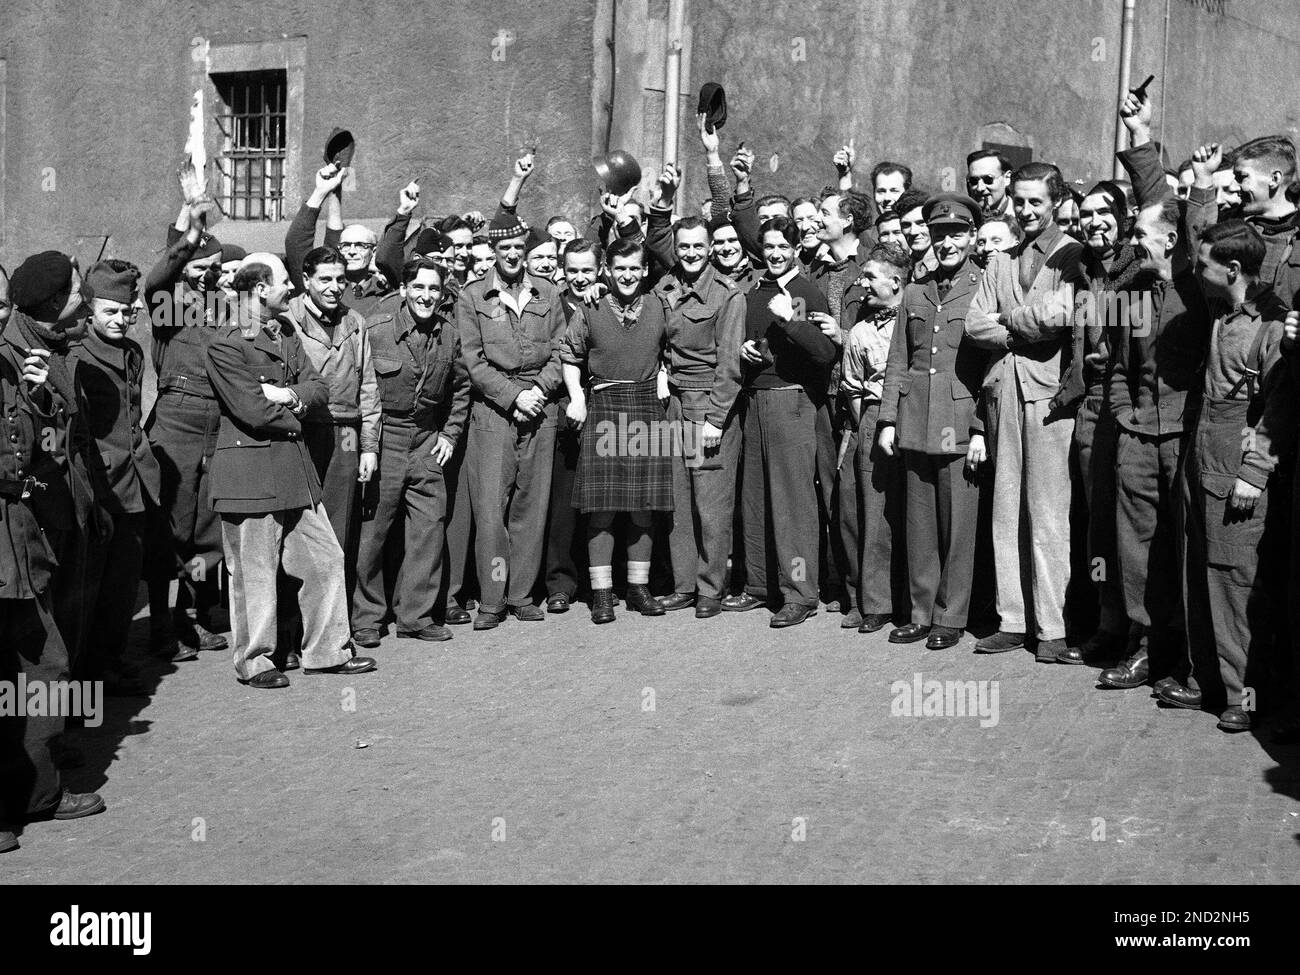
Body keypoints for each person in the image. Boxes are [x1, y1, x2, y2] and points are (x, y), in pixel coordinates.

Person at [205, 254, 376, 687]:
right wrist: (292, 406)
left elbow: (320, 388)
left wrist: (284, 395)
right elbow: (251, 410)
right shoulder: (225, 341)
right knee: (255, 573)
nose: (292, 290)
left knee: (325, 558)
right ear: (260, 288)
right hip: (250, 476)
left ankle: (326, 651)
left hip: (294, 472)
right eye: (285, 282)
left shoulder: (284, 332)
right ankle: (255, 661)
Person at [1097, 94, 1215, 700]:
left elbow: (1175, 213)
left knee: (1189, 549)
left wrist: (1144, 138)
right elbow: (1117, 364)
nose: (1132, 242)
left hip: (1189, 437)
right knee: (1136, 547)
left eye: (1143, 236)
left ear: (1172, 241)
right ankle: (1146, 646)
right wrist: (1123, 414)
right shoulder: (1133, 291)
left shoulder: (1197, 288)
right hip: (1139, 438)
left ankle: (1195, 662)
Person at [0, 254, 106, 847]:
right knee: (40, 663)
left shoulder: (31, 352)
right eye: (74, 290)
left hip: (26, 532)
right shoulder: (12, 359)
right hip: (11, 535)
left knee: (35, 664)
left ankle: (33, 788)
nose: (81, 297)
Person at [964, 161, 1084, 662]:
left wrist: (1008, 320)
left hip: (1049, 397)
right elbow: (973, 324)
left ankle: (1052, 628)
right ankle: (1012, 618)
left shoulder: (1072, 256)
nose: (1027, 210)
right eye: (1021, 201)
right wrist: (1019, 329)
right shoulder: (1001, 260)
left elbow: (1062, 314)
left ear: (1055, 202)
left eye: (1037, 201)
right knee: (1005, 509)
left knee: (1049, 512)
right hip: (1003, 396)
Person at [1183, 220, 1293, 733]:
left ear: (1231, 269)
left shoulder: (1271, 327)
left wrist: (1254, 472)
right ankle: (1208, 681)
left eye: (1204, 264)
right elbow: (1190, 232)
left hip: (1238, 465)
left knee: (1234, 581)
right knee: (1202, 573)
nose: (1194, 268)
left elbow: (1283, 407)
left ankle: (1243, 696)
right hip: (1203, 457)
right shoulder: (1222, 309)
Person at [877, 197, 988, 648]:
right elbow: (897, 360)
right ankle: (921, 610)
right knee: (919, 525)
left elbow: (990, 369)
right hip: (915, 419)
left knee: (958, 527)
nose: (947, 243)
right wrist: (888, 419)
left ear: (972, 237)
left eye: (956, 234)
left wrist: (981, 427)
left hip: (960, 422)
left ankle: (951, 616)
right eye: (939, 234)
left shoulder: (984, 287)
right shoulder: (916, 292)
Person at [456, 211, 567, 629]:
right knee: (491, 508)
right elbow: (473, 360)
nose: (513, 255)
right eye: (505, 249)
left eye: (519, 248)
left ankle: (521, 594)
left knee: (530, 505)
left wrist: (537, 391)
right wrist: (513, 395)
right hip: (494, 411)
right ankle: (492, 599)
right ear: (494, 252)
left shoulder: (548, 293)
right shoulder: (473, 297)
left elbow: (562, 350)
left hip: (541, 407)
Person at [724, 217, 838, 627]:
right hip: (754, 400)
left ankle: (801, 592)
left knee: (792, 501)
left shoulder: (806, 292)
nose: (774, 253)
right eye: (768, 246)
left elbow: (825, 354)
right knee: (754, 498)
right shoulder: (755, 292)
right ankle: (759, 585)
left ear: (795, 248)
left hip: (792, 402)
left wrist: (792, 320)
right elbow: (745, 338)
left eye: (782, 247)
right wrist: (742, 350)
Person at [353, 258, 470, 645]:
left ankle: (415, 616)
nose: (426, 296)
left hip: (426, 438)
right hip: (385, 436)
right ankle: (366, 617)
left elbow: (462, 389)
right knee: (374, 531)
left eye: (434, 289)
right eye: (418, 288)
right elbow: (358, 387)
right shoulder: (376, 330)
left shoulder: (449, 334)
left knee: (428, 527)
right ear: (403, 290)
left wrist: (450, 434)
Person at [1053, 180, 1143, 666]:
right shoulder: (1085, 269)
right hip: (1090, 406)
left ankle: (1141, 633)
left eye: (1103, 212)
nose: (1093, 221)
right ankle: (1107, 624)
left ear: (1125, 217)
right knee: (1097, 526)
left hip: (1130, 409)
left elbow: (1140, 346)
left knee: (1131, 525)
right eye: (1085, 214)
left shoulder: (1138, 268)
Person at [561, 238, 673, 623]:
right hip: (604, 407)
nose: (627, 275)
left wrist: (664, 373)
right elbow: (570, 356)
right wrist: (576, 397)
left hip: (646, 407)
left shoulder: (660, 305)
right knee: (603, 509)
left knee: (643, 507)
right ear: (608, 270)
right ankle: (602, 594)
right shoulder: (590, 307)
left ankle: (638, 589)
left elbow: (675, 349)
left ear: (644, 271)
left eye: (634, 268)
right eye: (619, 268)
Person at [69, 261, 162, 696]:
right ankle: (88, 670)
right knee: (94, 586)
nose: (120, 320)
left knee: (125, 583)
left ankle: (111, 655)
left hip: (136, 480)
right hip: (101, 484)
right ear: (88, 310)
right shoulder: (78, 356)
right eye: (110, 312)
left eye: (128, 313)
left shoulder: (133, 353)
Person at [143, 201, 231, 660]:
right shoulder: (168, 307)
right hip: (175, 422)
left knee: (206, 529)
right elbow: (157, 278)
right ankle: (162, 626)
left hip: (216, 425)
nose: (206, 275)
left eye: (213, 268)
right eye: (199, 266)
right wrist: (186, 237)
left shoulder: (224, 307)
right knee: (170, 531)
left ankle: (191, 619)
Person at [650, 216, 745, 618]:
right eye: (683, 246)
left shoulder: (728, 295)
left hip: (708, 404)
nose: (690, 253)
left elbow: (730, 364)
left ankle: (711, 588)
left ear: (709, 248)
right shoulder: (665, 287)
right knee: (679, 500)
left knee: (711, 504)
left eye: (697, 247)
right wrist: (659, 370)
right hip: (673, 403)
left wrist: (715, 418)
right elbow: (654, 335)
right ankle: (684, 584)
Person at [280, 245, 380, 604]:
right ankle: (292, 627)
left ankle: (335, 624)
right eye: (325, 279)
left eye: (340, 279)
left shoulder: (355, 322)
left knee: (338, 529)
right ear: (306, 280)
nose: (334, 287)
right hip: (302, 430)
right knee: (297, 529)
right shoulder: (287, 318)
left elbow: (368, 386)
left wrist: (369, 447)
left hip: (346, 435)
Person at [842, 242, 911, 634]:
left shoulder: (916, 318)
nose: (862, 282)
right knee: (876, 512)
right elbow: (852, 388)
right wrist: (870, 425)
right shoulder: (860, 332)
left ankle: (912, 601)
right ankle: (877, 603)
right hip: (871, 417)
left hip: (915, 417)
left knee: (914, 514)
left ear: (896, 281)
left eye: (870, 276)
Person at [543, 240, 603, 614]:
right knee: (563, 501)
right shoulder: (553, 303)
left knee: (604, 500)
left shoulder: (606, 300)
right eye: (574, 270)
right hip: (566, 411)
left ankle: (602, 581)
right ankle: (561, 582)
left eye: (588, 270)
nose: (580, 277)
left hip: (608, 411)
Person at [286, 165, 393, 319]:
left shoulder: (386, 290)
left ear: (373, 252)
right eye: (346, 245)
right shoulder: (323, 287)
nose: (351, 251)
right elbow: (296, 242)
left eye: (361, 246)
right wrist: (321, 192)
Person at [966, 149, 1014, 220]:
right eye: (974, 181)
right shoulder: (965, 219)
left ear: (1006, 178)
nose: (980, 188)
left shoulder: (1021, 218)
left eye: (988, 179)